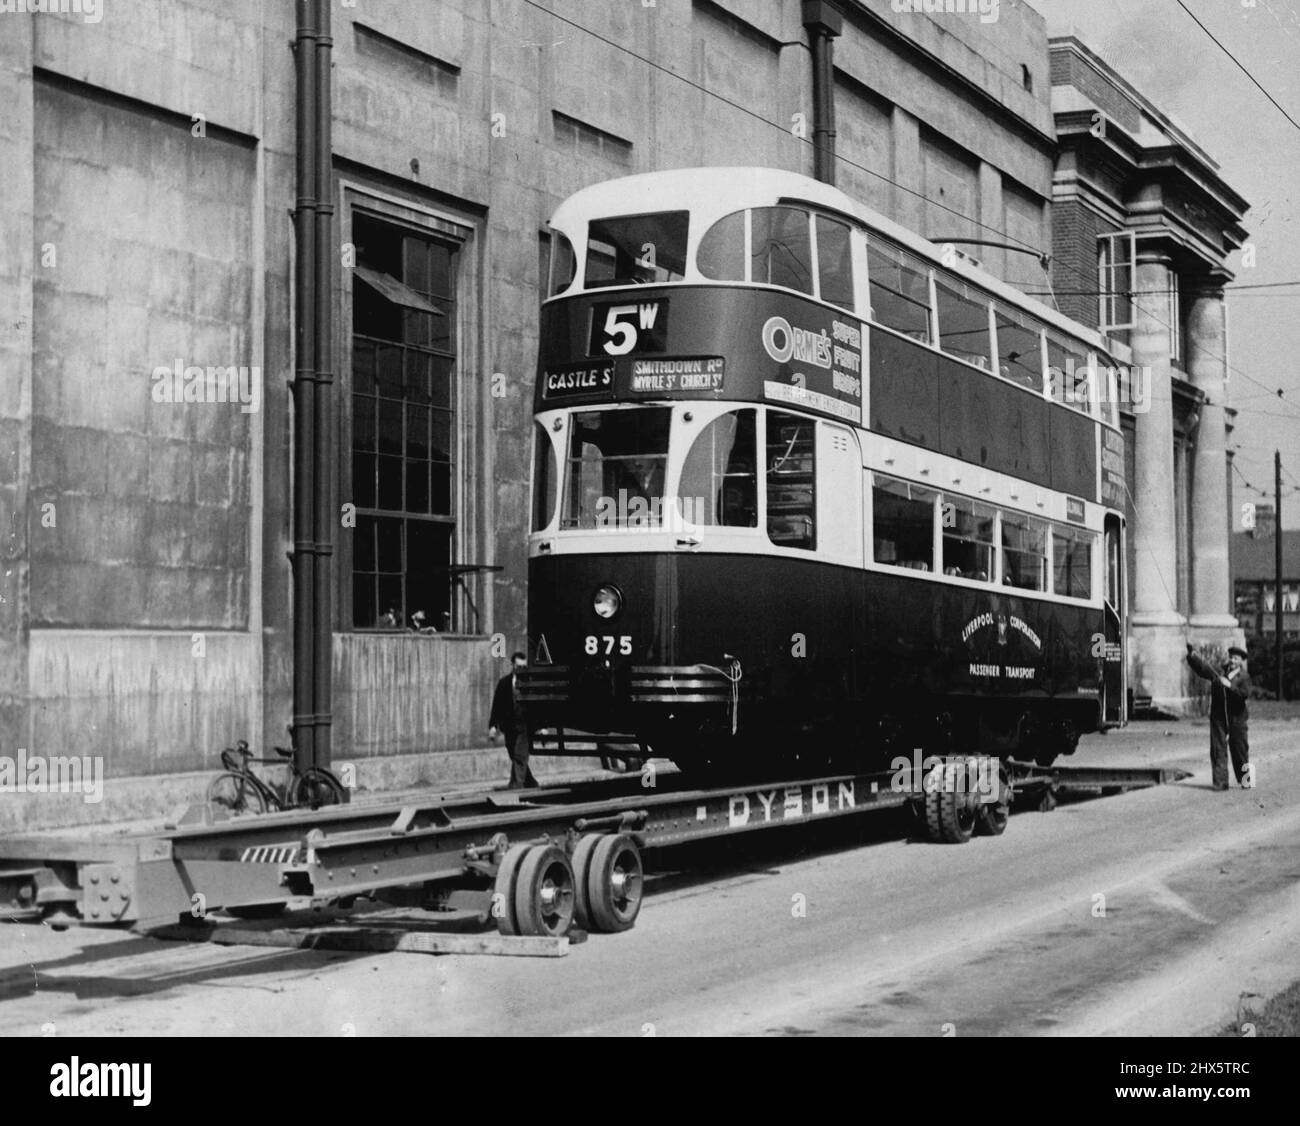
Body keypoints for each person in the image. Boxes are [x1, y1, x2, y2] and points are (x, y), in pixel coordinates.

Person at [1185, 643, 1251, 791]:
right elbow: (1203, 669)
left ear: (1241, 661)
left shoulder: (1244, 677)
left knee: (1240, 750)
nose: (1232, 661)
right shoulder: (1220, 672)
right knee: (1217, 749)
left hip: (1237, 719)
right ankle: (1220, 783)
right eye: (1231, 658)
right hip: (1219, 717)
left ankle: (1246, 780)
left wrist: (1229, 686)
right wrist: (1192, 656)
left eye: (1236, 659)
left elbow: (1244, 694)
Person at [489, 651, 538, 789]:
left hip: (525, 726)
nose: (521, 669)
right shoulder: (504, 683)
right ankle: (530, 782)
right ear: (512, 665)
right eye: (518, 666)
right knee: (513, 754)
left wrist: (542, 727)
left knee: (519, 754)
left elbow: (537, 707)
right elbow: (497, 705)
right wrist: (493, 726)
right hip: (510, 726)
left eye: (523, 667)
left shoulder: (531, 683)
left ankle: (516, 785)